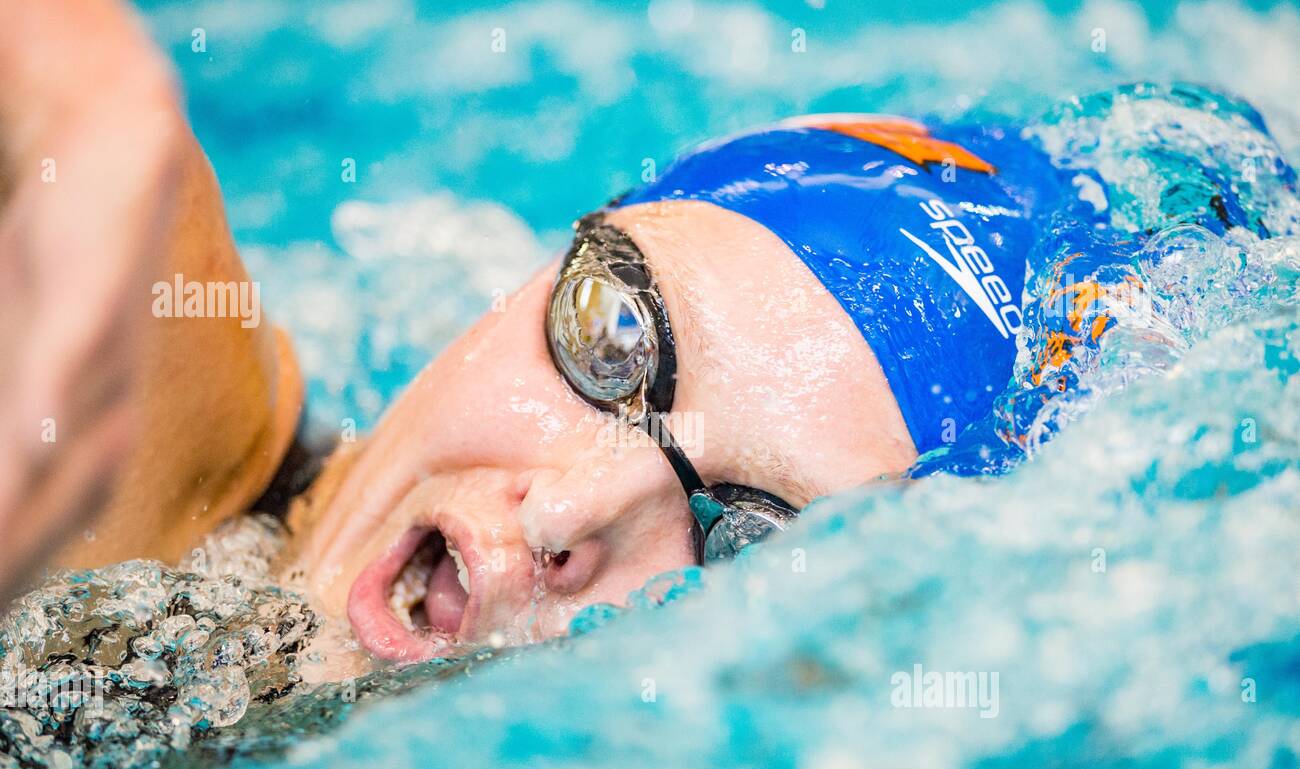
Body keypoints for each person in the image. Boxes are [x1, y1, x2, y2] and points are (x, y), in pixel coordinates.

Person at [0, 1, 1283, 670]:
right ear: (539, 264)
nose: (568, 513)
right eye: (616, 338)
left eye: (751, 543)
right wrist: (97, 103)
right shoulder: (127, 412)